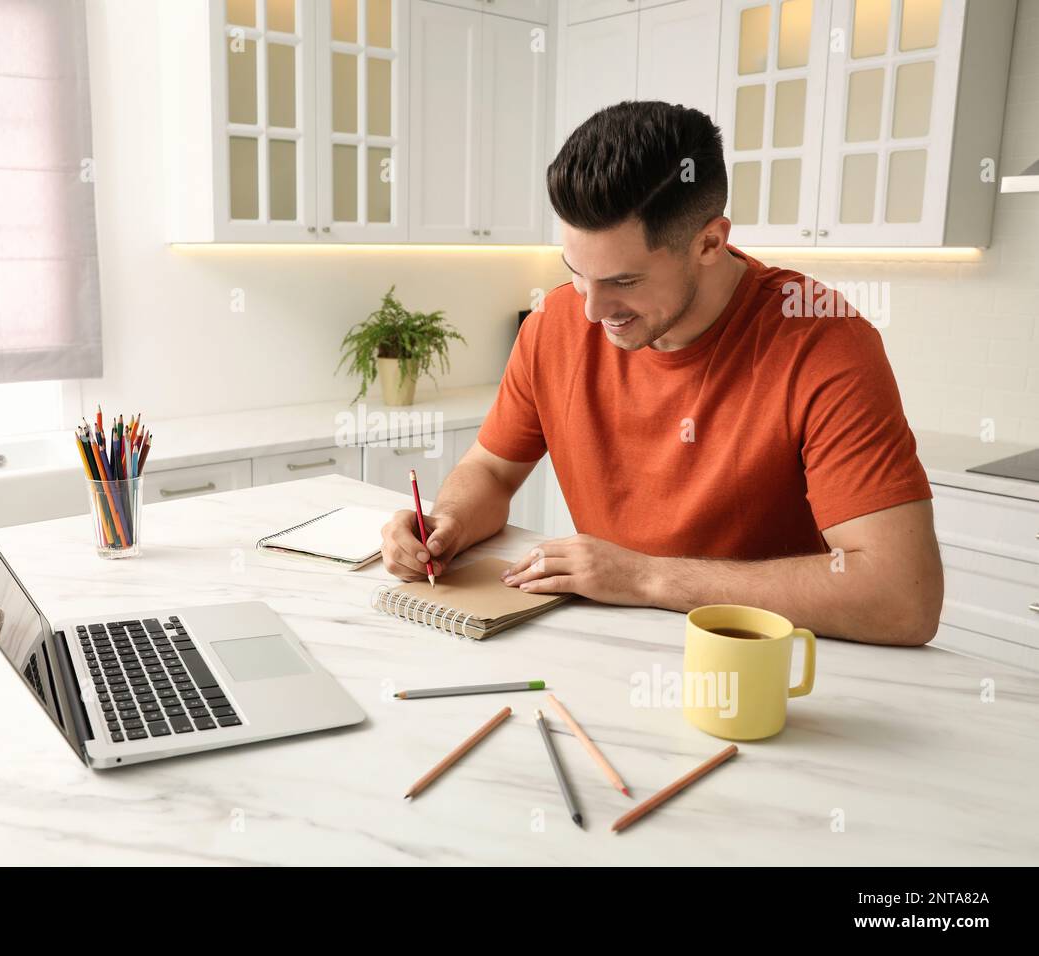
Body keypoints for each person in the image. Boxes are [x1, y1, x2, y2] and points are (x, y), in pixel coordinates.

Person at [379, 101, 942, 646]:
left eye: (624, 282)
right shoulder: (554, 322)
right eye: (576, 271)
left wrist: (647, 578)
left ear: (710, 242)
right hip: (605, 646)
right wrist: (446, 522)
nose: (593, 311)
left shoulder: (822, 340)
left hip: (762, 665)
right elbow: (493, 473)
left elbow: (901, 597)